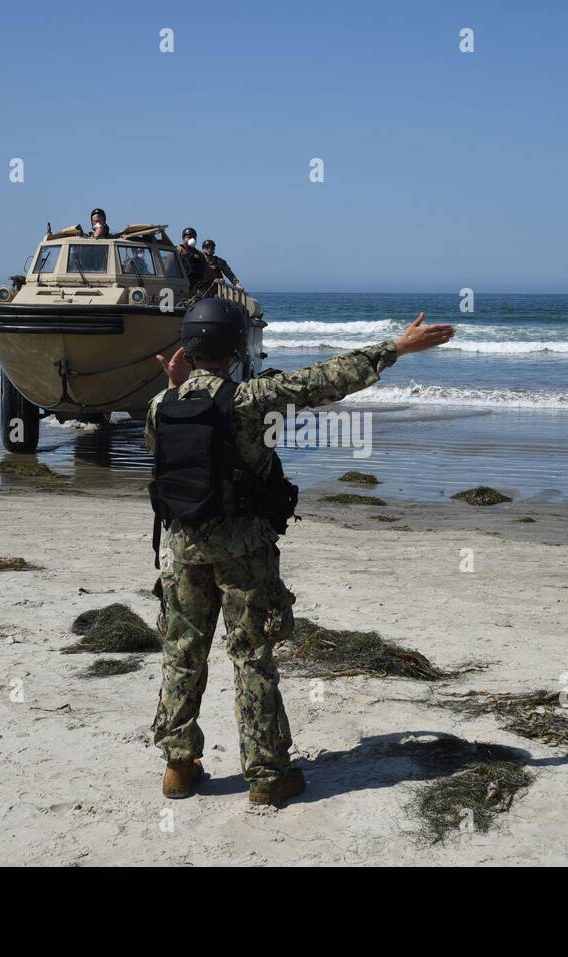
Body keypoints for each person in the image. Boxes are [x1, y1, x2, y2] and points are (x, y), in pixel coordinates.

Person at [146, 301, 454, 805]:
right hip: (243, 551)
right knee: (252, 658)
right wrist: (397, 347)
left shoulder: (163, 404)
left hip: (182, 548)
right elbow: (325, 380)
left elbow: (162, 450)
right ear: (236, 346)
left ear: (190, 346)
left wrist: (179, 384)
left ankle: (178, 767)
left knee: (182, 654)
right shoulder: (249, 399)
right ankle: (267, 776)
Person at [174, 227, 214, 302]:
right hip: (181, 284)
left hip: (195, 287)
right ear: (183, 238)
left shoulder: (199, 254)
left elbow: (207, 270)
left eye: (193, 237)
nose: (191, 239)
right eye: (188, 237)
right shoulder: (177, 250)